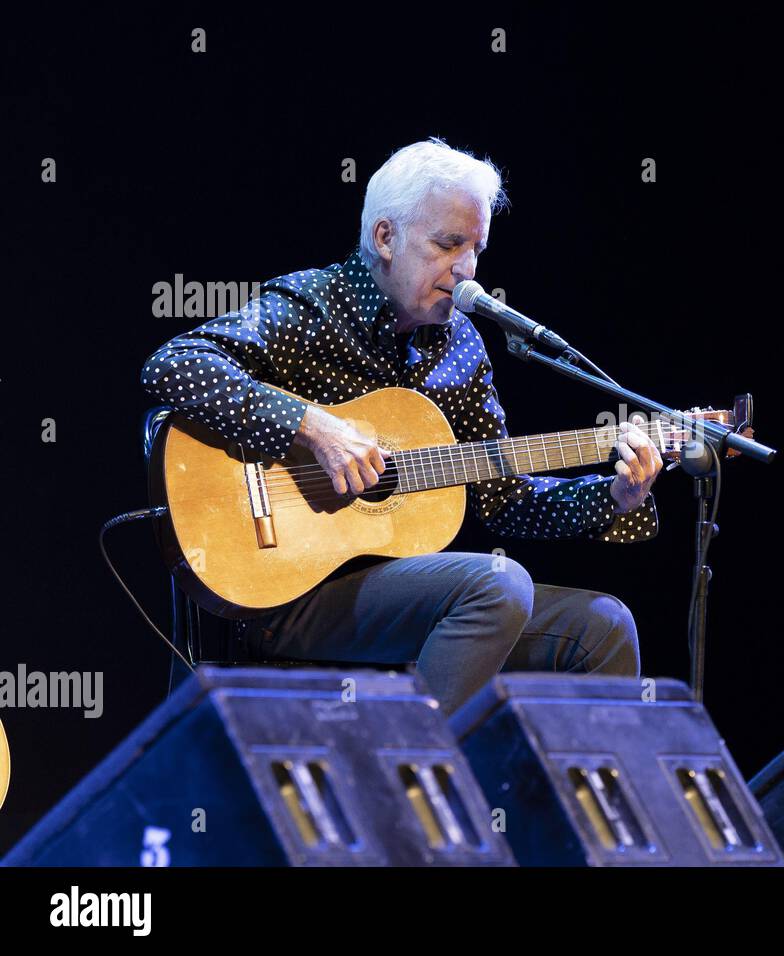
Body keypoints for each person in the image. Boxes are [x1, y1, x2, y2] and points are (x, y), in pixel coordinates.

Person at [141, 137, 663, 712]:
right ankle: (412, 787)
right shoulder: (314, 306)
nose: (466, 268)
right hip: (284, 594)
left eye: (476, 249)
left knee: (603, 625)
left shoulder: (461, 347)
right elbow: (175, 365)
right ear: (385, 237)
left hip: (394, 595)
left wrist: (615, 495)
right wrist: (314, 426)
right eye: (448, 244)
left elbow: (505, 497)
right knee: (498, 584)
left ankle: (573, 803)